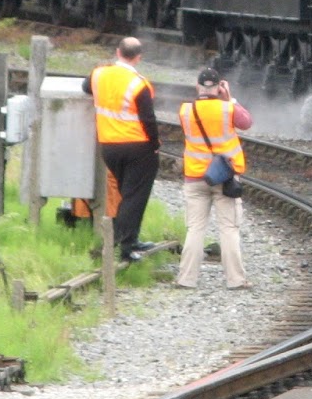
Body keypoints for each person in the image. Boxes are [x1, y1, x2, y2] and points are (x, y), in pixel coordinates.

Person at [82, 36, 160, 262]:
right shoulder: (139, 84)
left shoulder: (99, 74)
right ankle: (126, 247)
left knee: (127, 194)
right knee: (134, 197)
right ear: (138, 57)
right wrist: (154, 146)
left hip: (109, 146)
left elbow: (86, 87)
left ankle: (128, 239)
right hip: (138, 147)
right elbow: (148, 119)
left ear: (118, 52)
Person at [176, 67, 253, 290]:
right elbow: (246, 122)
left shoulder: (185, 111)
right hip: (224, 178)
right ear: (219, 87)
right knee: (228, 229)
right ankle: (236, 280)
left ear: (198, 86)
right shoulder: (228, 109)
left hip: (195, 177)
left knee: (195, 228)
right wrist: (230, 98)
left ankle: (186, 279)